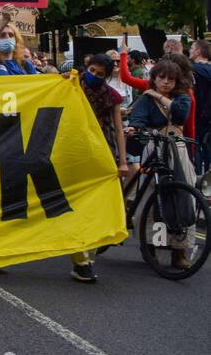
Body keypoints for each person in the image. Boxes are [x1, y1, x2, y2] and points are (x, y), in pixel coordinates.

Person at [125, 58, 197, 268]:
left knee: (185, 198)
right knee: (152, 197)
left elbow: (181, 114)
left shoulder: (183, 97)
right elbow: (138, 119)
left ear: (177, 81)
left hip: (178, 151)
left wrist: (156, 95)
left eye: (170, 79)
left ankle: (179, 252)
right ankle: (151, 246)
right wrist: (134, 128)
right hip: (154, 150)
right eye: (161, 78)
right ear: (154, 78)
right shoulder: (144, 100)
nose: (165, 82)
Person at [69, 54, 128, 284]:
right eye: (92, 70)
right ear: (87, 67)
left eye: (100, 74)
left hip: (103, 154)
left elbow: (118, 129)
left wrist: (122, 161)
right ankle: (80, 261)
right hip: (75, 153)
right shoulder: (71, 86)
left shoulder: (111, 97)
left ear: (106, 77)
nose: (94, 76)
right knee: (78, 207)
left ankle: (88, 258)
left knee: (97, 209)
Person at [0, 9, 36, 75]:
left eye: (11, 35)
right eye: (2, 35)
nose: (7, 38)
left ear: (16, 40)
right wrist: (4, 20)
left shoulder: (25, 65)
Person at [188, 39, 211, 174]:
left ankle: (197, 176)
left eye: (192, 48)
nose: (190, 51)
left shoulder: (193, 70)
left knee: (195, 145)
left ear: (198, 51)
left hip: (197, 113)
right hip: (208, 115)